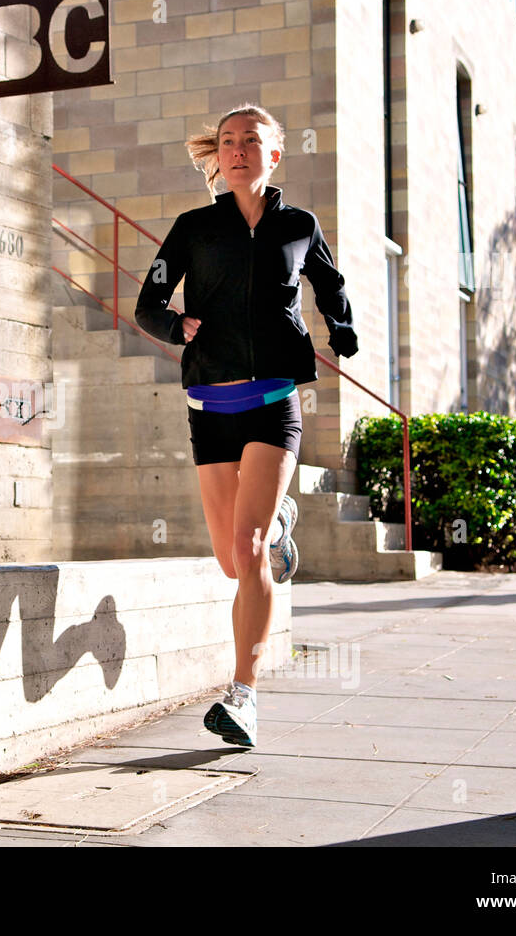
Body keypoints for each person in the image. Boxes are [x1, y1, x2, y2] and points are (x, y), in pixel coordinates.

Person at [134, 104, 358, 748]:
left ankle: (243, 695)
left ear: (274, 155)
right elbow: (148, 302)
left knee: (251, 546)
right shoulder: (192, 228)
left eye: (250, 141)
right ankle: (281, 521)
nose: (236, 150)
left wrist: (340, 330)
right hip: (209, 406)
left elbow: (330, 283)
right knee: (233, 562)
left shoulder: (299, 225)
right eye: (228, 142)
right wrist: (176, 327)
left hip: (273, 401)